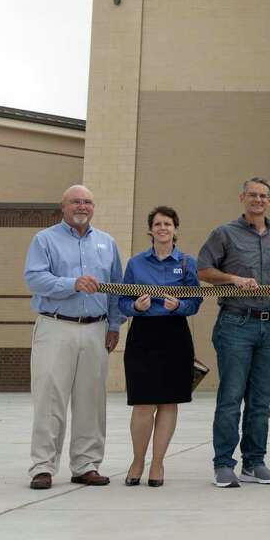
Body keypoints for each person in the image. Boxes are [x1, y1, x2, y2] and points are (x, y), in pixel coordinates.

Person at [23, 184, 124, 489]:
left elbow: (116, 288)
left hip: (96, 329)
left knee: (91, 400)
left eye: (88, 202)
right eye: (76, 202)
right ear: (63, 206)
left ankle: (86, 465)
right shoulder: (44, 240)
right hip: (56, 326)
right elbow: (34, 278)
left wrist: (114, 326)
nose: (82, 206)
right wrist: (73, 284)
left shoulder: (107, 243)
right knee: (50, 398)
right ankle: (43, 467)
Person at [198, 177, 270, 489]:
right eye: (252, 195)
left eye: (263, 196)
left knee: (261, 401)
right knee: (231, 397)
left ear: (269, 200)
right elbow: (203, 271)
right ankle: (224, 464)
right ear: (242, 198)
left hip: (269, 326)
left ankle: (254, 462)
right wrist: (232, 279)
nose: (258, 200)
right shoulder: (224, 233)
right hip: (235, 324)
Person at [116, 206, 202, 487]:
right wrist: (136, 307)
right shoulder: (136, 263)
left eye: (168, 224)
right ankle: (137, 460)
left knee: (168, 402)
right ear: (150, 230)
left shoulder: (187, 263)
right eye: (157, 224)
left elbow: (196, 302)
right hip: (143, 335)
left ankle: (158, 463)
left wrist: (179, 305)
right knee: (143, 404)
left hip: (175, 335)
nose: (163, 228)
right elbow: (122, 301)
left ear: (175, 229)